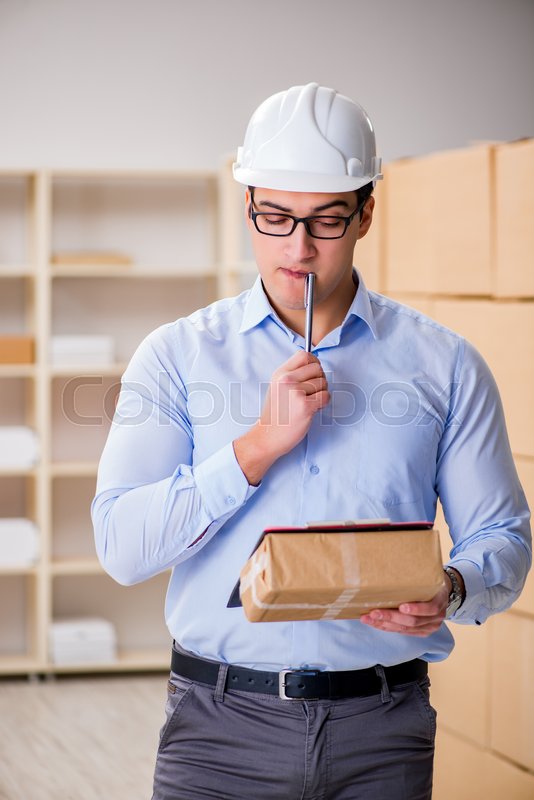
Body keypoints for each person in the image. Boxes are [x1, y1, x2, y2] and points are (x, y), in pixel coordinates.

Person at [92, 82, 531, 800]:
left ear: (366, 215)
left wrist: (452, 588)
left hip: (382, 731)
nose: (298, 247)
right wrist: (256, 448)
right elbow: (122, 546)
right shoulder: (176, 357)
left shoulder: (446, 365)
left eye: (327, 220)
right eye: (276, 217)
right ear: (248, 211)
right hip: (218, 731)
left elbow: (504, 537)